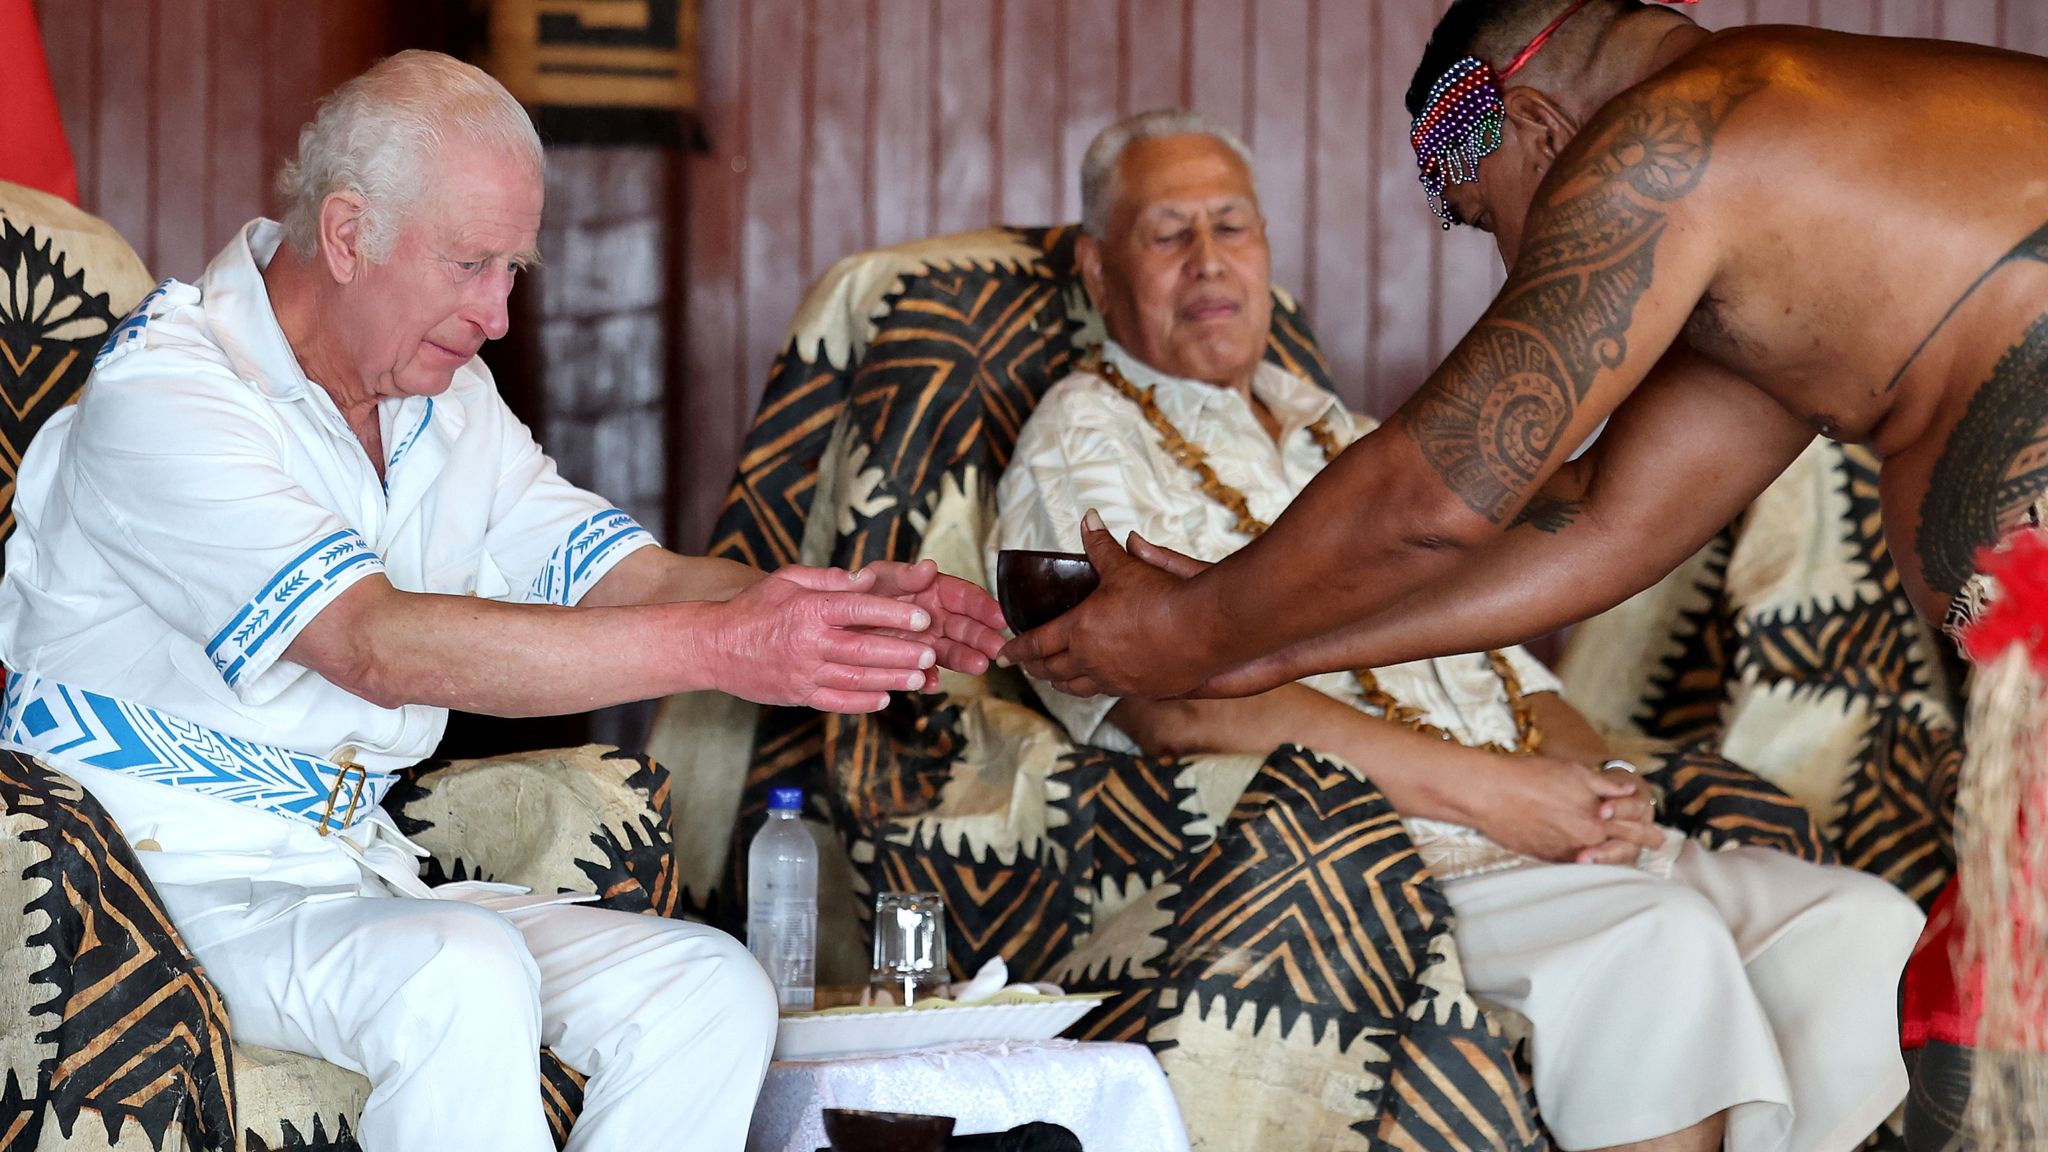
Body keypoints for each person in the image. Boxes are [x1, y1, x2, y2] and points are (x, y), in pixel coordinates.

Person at [1000, 6, 2048, 1143]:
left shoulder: (1664, 147)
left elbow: (1431, 501)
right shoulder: (1782, 239)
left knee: (1942, 993)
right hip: (1376, 835)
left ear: (1543, 132)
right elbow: (1598, 522)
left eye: (1485, 213)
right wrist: (1239, 646)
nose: (1511, 261)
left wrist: (1199, 629)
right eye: (1168, 236)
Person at [0, 51, 1006, 1152]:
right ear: (347, 235)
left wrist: (827, 606)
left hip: (347, 872)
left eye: (513, 269)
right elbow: (371, 643)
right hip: (142, 879)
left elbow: (628, 578)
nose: (499, 315)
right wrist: (728, 645)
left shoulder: (447, 404)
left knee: (708, 989)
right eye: (471, 265)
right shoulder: (172, 391)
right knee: (457, 974)